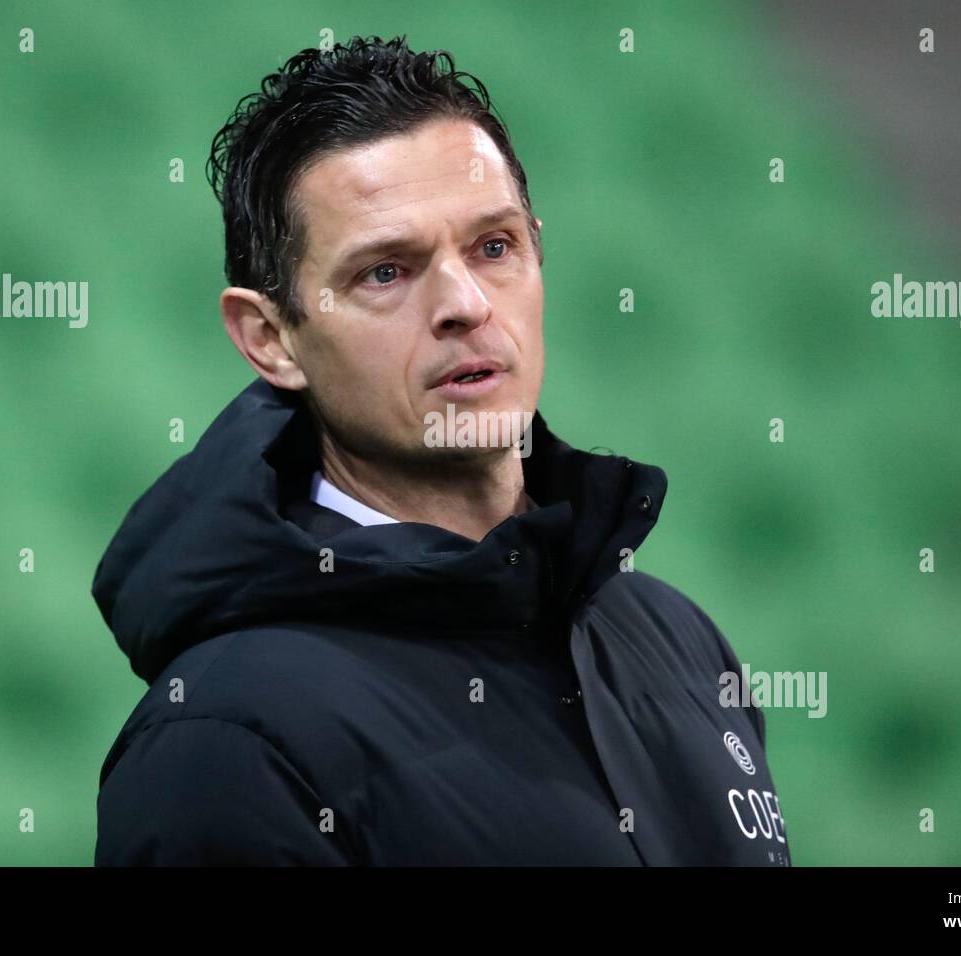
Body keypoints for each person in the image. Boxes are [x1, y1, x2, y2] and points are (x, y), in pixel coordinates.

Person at [92, 34, 790, 865]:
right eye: (386, 272)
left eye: (494, 248)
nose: (464, 303)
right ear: (271, 338)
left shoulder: (675, 635)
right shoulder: (222, 744)